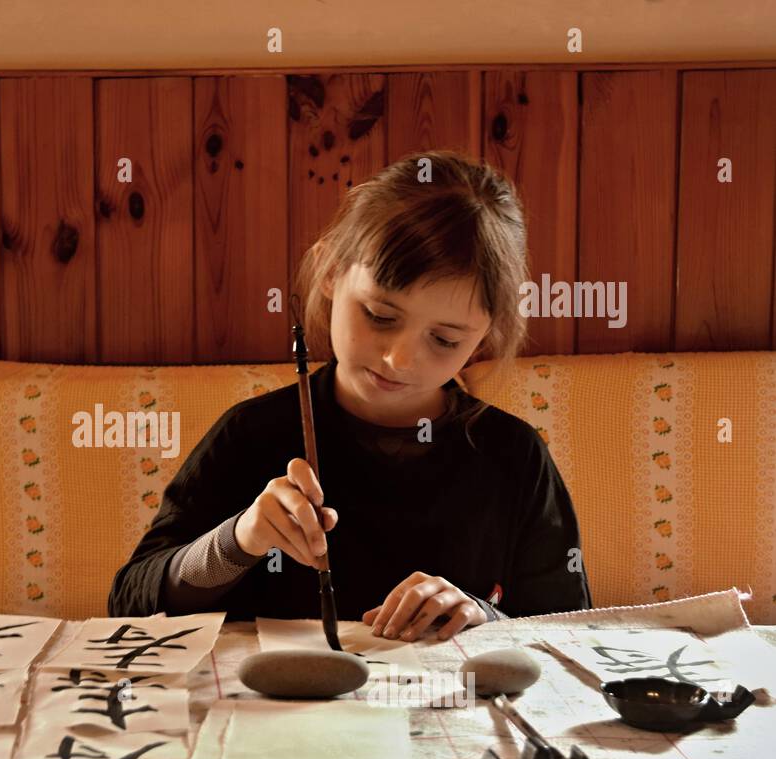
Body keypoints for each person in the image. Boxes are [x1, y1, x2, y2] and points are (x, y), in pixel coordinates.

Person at [108, 150, 593, 642]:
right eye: (381, 316)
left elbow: (568, 629)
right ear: (331, 272)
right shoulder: (252, 434)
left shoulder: (512, 454)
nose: (400, 360)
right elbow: (130, 601)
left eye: (445, 339)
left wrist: (479, 616)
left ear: (485, 332)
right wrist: (239, 540)